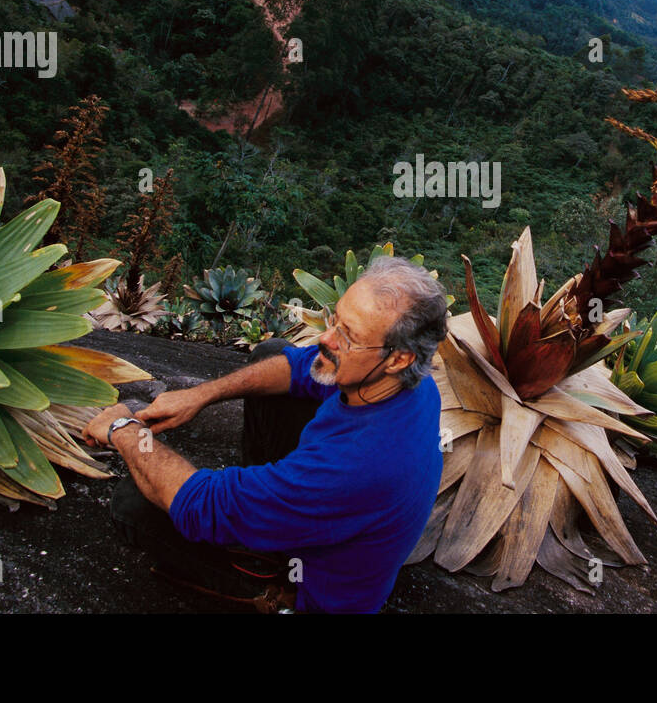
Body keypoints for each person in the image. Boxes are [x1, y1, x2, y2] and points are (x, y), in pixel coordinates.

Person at [82, 256, 447, 614]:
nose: (326, 338)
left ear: (399, 359)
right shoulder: (414, 385)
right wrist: (201, 394)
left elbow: (200, 505)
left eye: (348, 336)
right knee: (272, 354)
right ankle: (263, 506)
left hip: (311, 590)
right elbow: (300, 366)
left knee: (132, 503)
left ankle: (265, 557)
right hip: (332, 522)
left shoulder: (353, 467)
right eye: (335, 320)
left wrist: (122, 428)